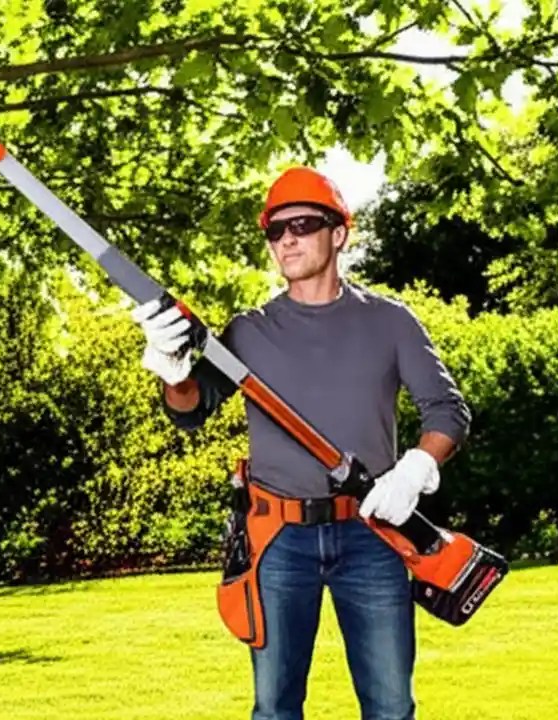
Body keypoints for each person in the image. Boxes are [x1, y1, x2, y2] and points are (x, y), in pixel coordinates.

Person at [129, 166, 471, 720]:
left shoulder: (390, 322)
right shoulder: (247, 332)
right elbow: (190, 412)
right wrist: (172, 370)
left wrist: (414, 468)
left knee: (390, 705)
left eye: (304, 224)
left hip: (374, 538)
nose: (286, 238)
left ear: (338, 234)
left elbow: (448, 411)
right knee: (274, 707)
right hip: (277, 540)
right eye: (275, 229)